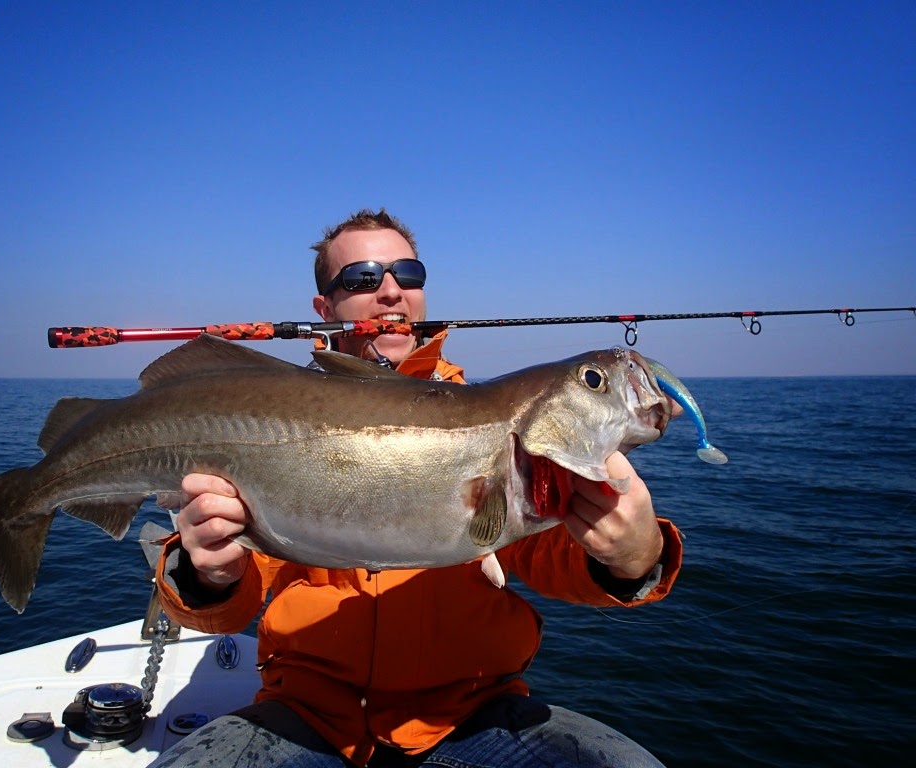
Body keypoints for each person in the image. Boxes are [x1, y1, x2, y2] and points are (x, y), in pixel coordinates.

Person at [148, 209, 683, 768]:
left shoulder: (502, 423)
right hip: (307, 718)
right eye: (360, 278)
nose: (390, 292)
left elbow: (549, 555)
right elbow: (237, 600)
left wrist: (636, 555)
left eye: (408, 274)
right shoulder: (266, 418)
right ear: (323, 309)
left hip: (476, 713)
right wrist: (205, 572)